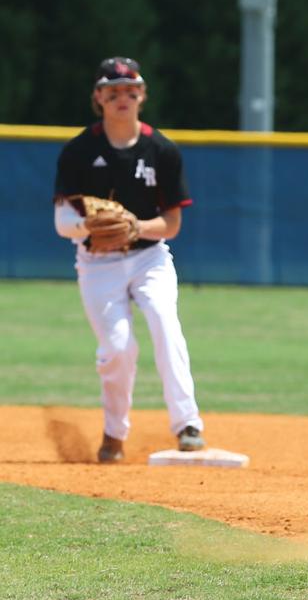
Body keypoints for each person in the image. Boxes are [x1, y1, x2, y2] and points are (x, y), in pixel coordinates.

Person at [52, 57, 206, 463]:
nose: (123, 96)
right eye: (113, 90)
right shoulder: (79, 150)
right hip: (97, 262)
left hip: (149, 257)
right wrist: (92, 226)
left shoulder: (162, 150)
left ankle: (188, 424)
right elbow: (63, 220)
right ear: (98, 98)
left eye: (130, 89)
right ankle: (114, 435)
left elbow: (171, 224)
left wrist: (134, 227)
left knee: (164, 322)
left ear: (142, 95)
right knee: (119, 348)